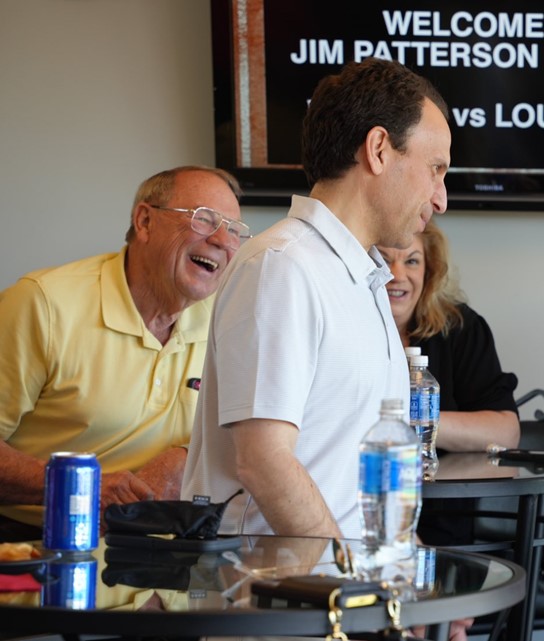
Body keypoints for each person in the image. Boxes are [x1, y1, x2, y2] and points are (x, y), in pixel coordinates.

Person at [181, 58, 451, 540]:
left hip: (346, 595)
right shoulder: (282, 267)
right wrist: (349, 586)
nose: (440, 198)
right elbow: (264, 461)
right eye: (435, 169)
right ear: (379, 149)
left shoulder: (363, 280)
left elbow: (371, 470)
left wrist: (400, 574)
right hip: (277, 599)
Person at [0, 166, 245, 541]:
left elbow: (245, 437)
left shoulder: (226, 321)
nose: (223, 241)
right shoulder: (43, 304)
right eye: (205, 219)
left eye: (233, 230)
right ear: (145, 221)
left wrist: (181, 457)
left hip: (166, 558)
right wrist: (81, 488)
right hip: (36, 547)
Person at [378, 220, 520, 452]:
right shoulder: (339, 326)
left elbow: (506, 432)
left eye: (412, 261)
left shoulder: (460, 326)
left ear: (429, 271)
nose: (397, 274)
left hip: (445, 483)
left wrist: (408, 422)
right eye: (383, 261)